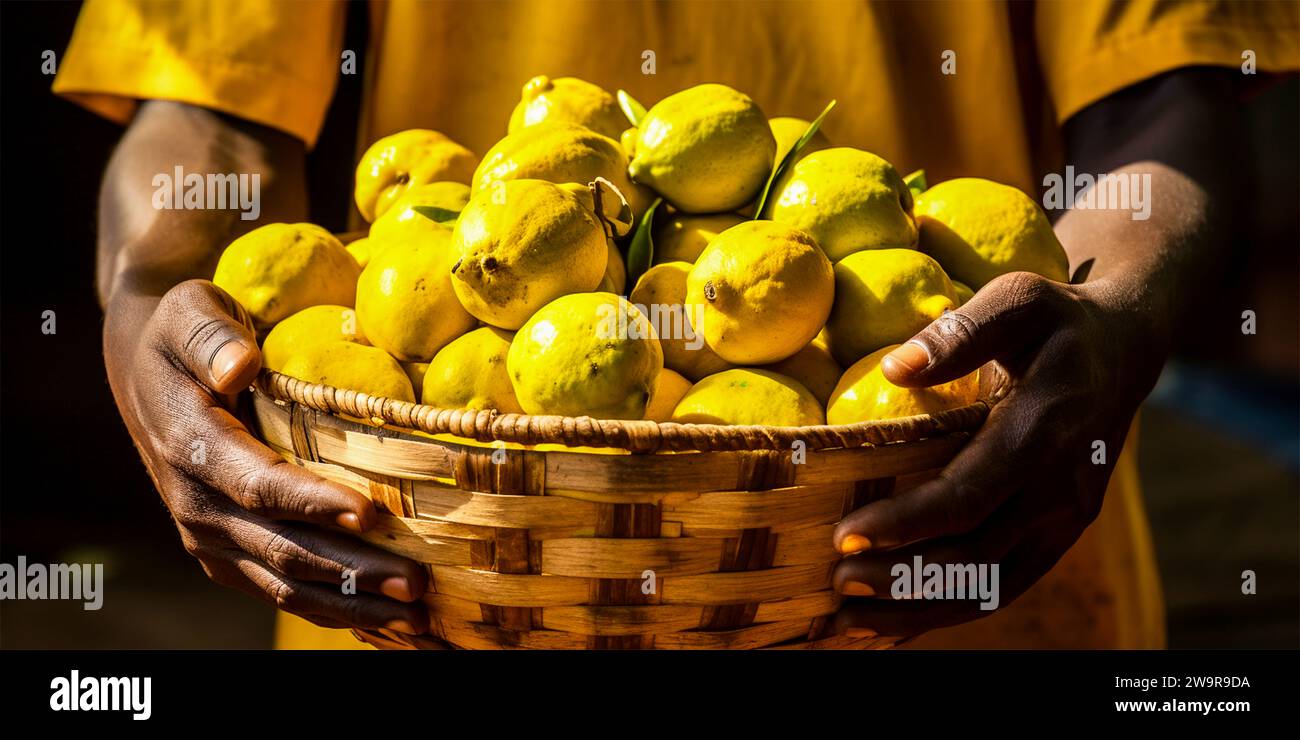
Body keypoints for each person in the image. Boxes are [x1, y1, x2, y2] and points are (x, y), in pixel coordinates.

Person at [53, 0, 1298, 650]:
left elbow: (1169, 99)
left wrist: (1112, 312)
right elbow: (205, 105)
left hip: (960, 545)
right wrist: (149, 293)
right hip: (420, 564)